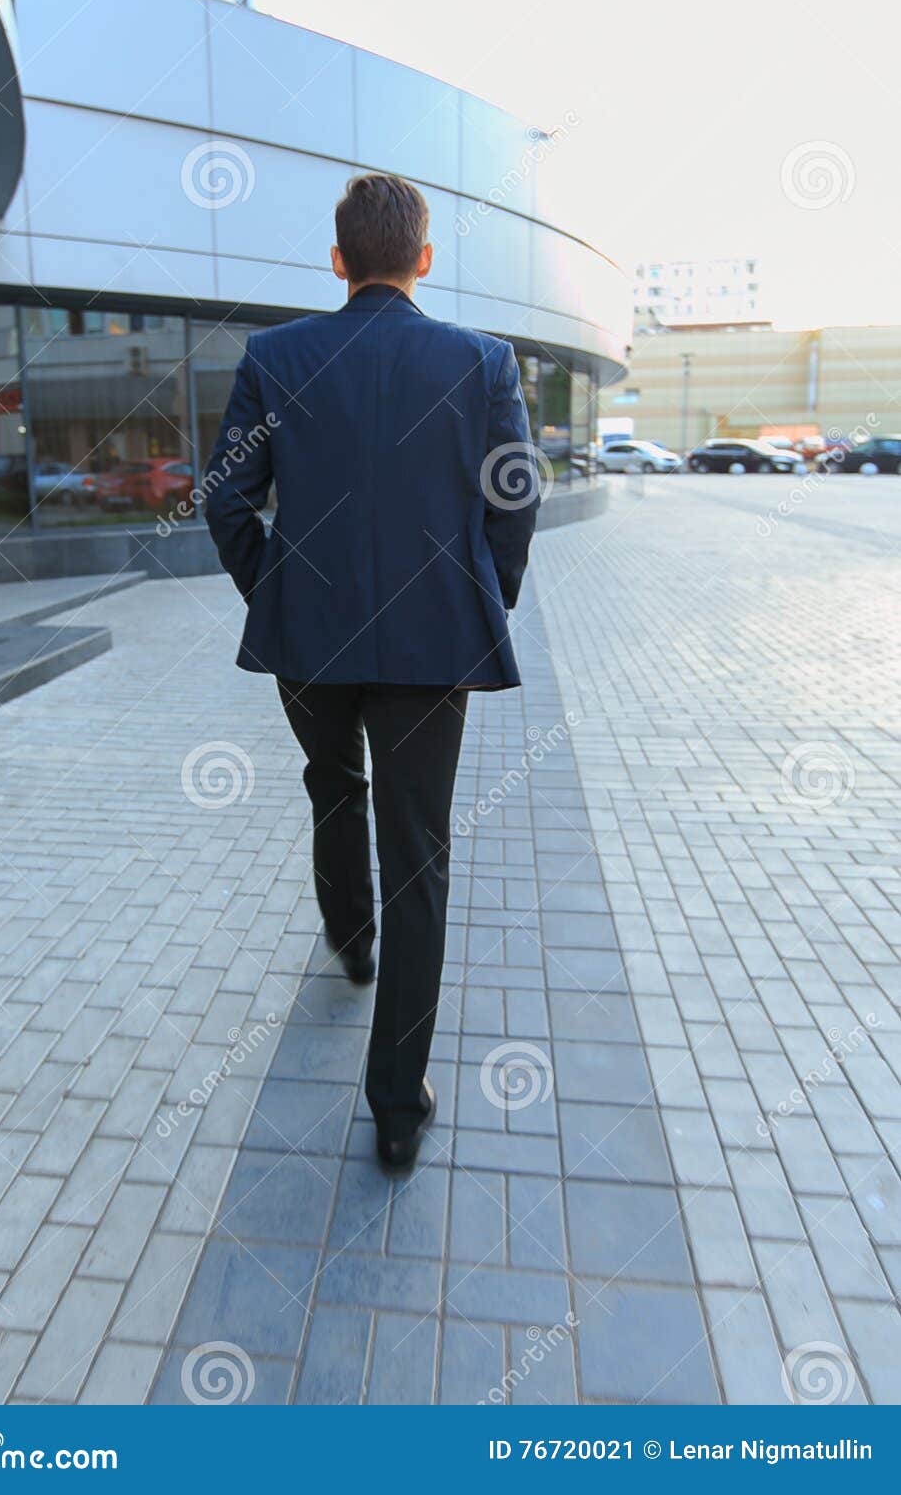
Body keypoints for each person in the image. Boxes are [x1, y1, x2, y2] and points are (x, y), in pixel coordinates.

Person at [204, 173, 538, 1170]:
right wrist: (486, 596)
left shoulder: (275, 357)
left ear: (338, 259)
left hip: (307, 637)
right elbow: (511, 495)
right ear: (422, 260)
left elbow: (225, 497)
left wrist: (275, 587)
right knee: (421, 856)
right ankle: (397, 1105)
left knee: (329, 781)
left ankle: (349, 940)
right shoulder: (479, 362)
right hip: (433, 644)